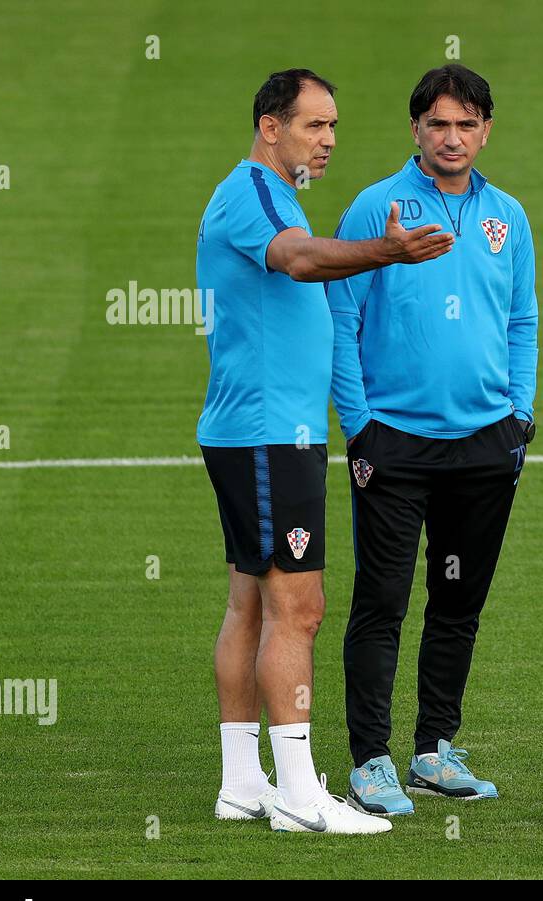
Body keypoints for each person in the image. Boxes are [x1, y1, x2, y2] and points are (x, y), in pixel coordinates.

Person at [197, 68, 452, 835]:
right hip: (272, 438)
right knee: (298, 609)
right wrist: (389, 250)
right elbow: (301, 260)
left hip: (260, 434)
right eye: (315, 125)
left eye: (334, 126)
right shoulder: (254, 192)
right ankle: (302, 795)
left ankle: (244, 782)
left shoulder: (269, 193)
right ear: (271, 126)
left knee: (250, 603)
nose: (330, 139)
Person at [328, 64, 538, 817]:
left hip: (484, 447)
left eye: (467, 124)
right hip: (396, 446)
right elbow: (340, 320)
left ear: (486, 130)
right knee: (382, 600)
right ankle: (370, 758)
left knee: (456, 601)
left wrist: (519, 416)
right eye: (439, 124)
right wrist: (360, 427)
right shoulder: (375, 208)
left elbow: (522, 319)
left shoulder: (506, 216)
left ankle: (433, 751)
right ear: (416, 130)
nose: (453, 138)